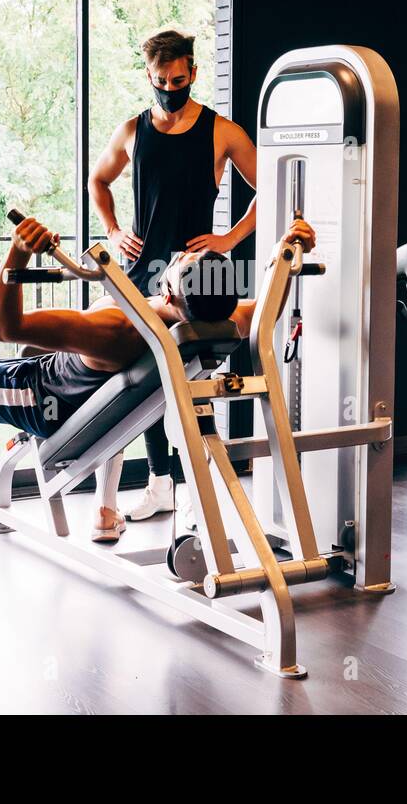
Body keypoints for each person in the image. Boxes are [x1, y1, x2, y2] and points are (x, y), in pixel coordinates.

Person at [0, 214, 316, 556]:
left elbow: (3, 326)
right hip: (91, 397)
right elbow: (267, 306)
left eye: (179, 264)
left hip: (39, 394)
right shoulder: (222, 322)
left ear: (168, 293)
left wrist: (16, 255)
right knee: (116, 397)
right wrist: (286, 255)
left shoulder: (119, 327)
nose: (176, 258)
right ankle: (106, 511)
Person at [88, 28, 259, 522]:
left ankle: (190, 490)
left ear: (193, 73)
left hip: (193, 278)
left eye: (178, 79)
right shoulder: (132, 130)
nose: (169, 88)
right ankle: (159, 484)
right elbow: (98, 181)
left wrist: (228, 239)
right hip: (141, 272)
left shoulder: (222, 131)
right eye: (160, 80)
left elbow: (270, 183)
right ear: (149, 76)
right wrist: (115, 229)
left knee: (189, 381)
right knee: (143, 380)